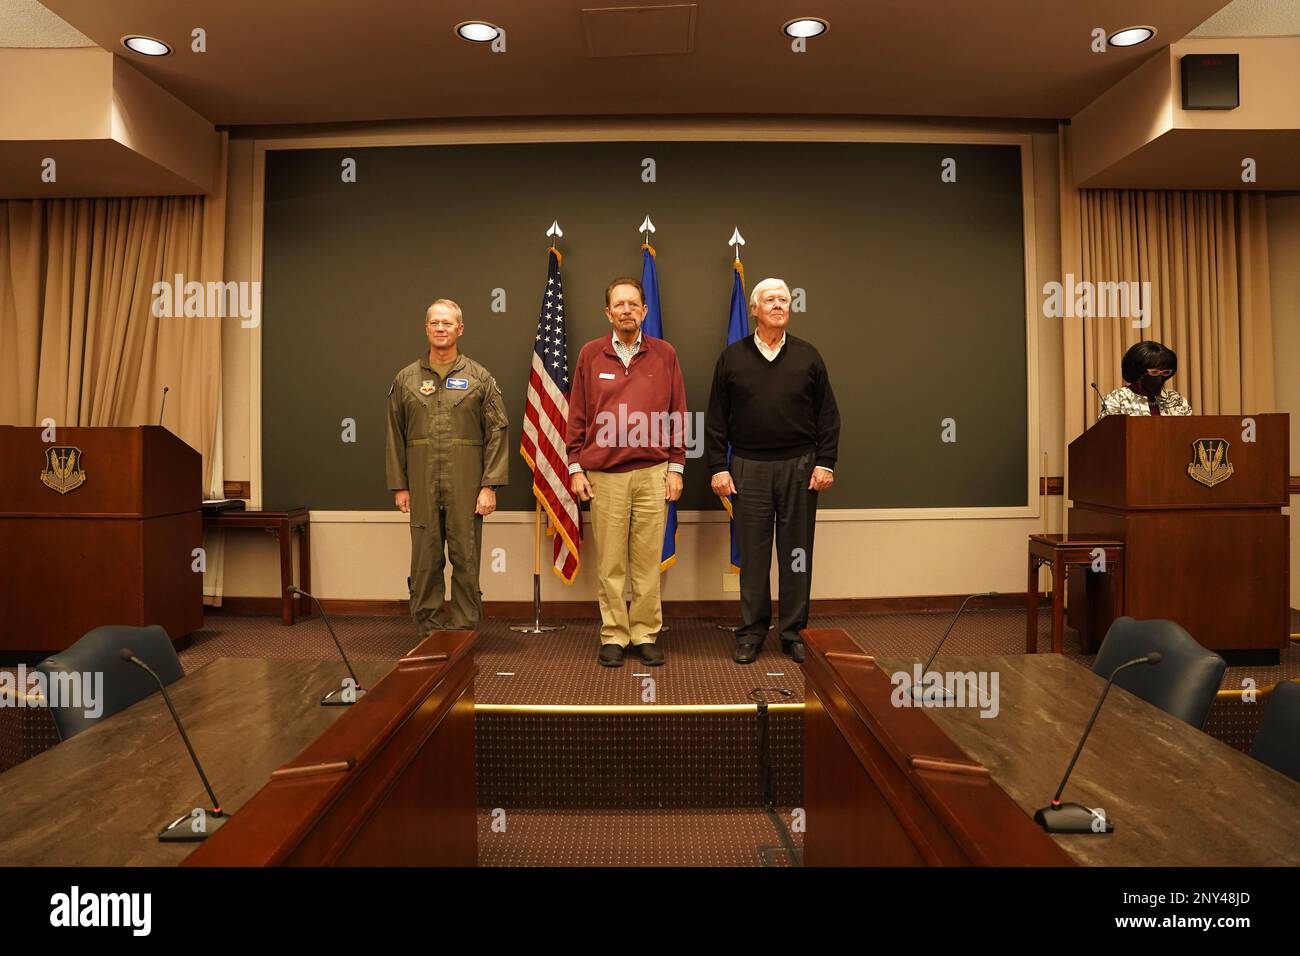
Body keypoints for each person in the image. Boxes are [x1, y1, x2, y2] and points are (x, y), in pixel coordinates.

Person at [705, 277, 840, 665]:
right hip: (748, 468)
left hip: (800, 468)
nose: (779, 304)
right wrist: (718, 467)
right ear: (754, 309)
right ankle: (751, 633)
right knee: (754, 555)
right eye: (770, 300)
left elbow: (828, 417)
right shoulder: (732, 358)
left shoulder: (808, 356)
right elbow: (716, 420)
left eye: (784, 299)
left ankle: (794, 632)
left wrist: (825, 462)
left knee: (796, 553)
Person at [567, 277, 687, 668]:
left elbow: (678, 414)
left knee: (647, 562)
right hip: (604, 476)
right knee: (611, 564)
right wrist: (575, 467)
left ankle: (645, 633)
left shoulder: (665, 354)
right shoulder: (590, 354)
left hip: (653, 473)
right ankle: (614, 635)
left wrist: (676, 467)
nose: (626, 310)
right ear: (608, 313)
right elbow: (578, 415)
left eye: (633, 304)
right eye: (619, 305)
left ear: (644, 311)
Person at [385, 299, 508, 635]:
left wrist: (489, 486)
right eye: (435, 323)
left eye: (448, 323)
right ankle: (429, 631)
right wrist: (400, 486)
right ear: (426, 328)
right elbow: (394, 435)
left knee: (466, 559)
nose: (441, 329)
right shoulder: (406, 379)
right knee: (425, 560)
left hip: (467, 485)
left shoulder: (479, 378)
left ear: (460, 329)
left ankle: (464, 629)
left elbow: (498, 431)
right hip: (421, 484)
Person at [1098, 340, 1193, 417]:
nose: (1160, 377)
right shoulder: (1118, 398)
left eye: (1165, 372)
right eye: (1154, 372)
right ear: (1139, 372)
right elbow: (1107, 434)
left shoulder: (1176, 399)